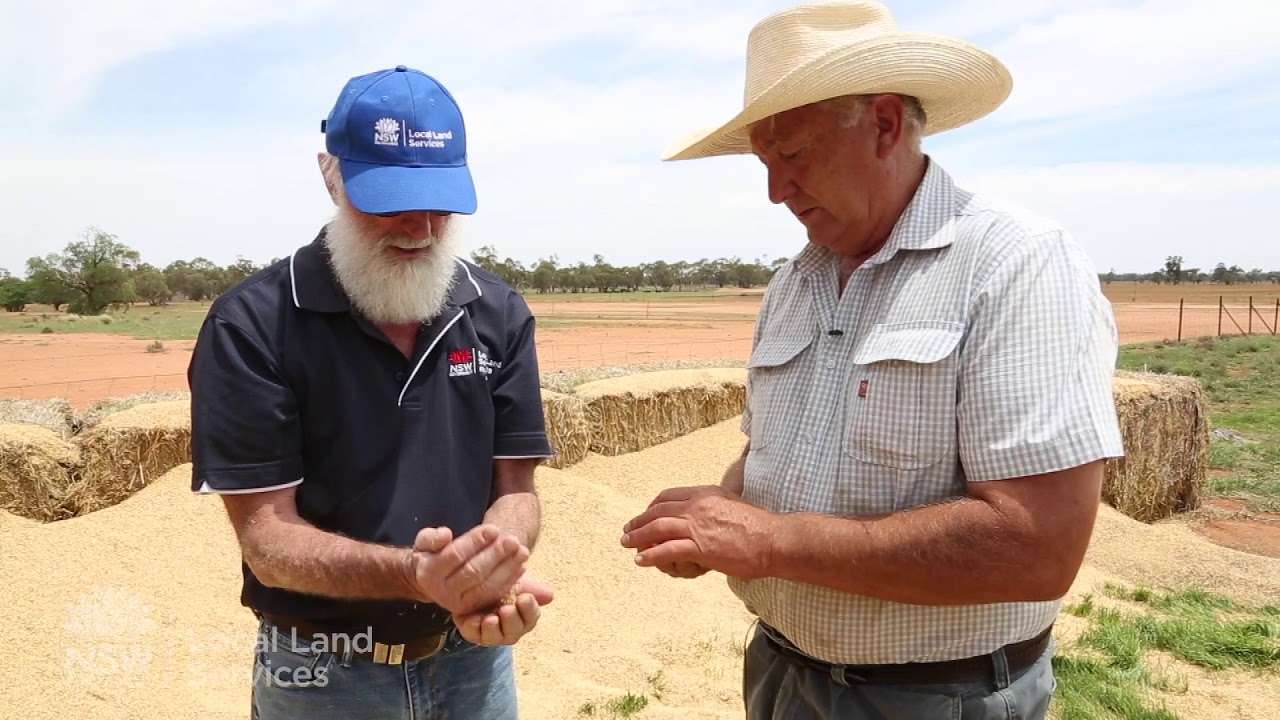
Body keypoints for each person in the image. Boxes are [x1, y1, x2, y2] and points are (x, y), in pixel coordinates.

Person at [620, 3, 1126, 718]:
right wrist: (725, 511)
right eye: (765, 162)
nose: (774, 190)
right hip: (781, 674)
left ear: (886, 125)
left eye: (792, 154)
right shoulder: (795, 283)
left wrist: (773, 542)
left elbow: (1039, 546)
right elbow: (774, 452)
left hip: (939, 696)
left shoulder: (1014, 264)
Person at [188, 65, 555, 719]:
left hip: (475, 664)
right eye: (389, 202)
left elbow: (517, 491)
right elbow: (268, 542)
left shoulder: (497, 311)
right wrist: (419, 576)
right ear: (332, 176)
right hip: (326, 672)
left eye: (441, 205)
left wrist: (491, 566)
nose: (420, 228)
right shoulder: (252, 324)